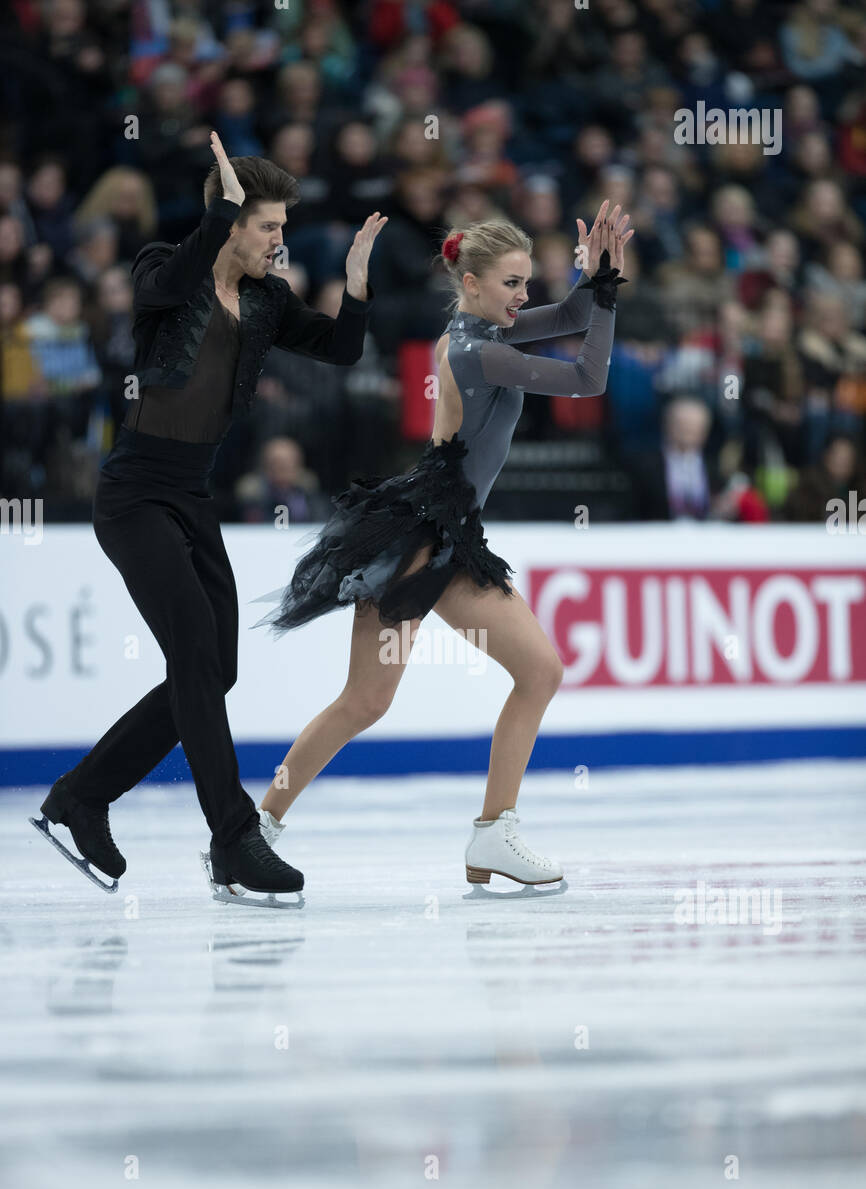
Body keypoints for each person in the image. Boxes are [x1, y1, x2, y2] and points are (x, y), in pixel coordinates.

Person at [32, 133, 385, 901]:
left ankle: (81, 797)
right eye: (267, 227)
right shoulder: (164, 269)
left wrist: (355, 289)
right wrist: (219, 213)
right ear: (230, 223)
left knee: (213, 669)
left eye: (283, 229)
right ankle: (233, 837)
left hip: (194, 497)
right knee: (195, 655)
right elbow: (174, 281)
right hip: (133, 496)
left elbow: (341, 351)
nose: (279, 242)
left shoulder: (265, 301)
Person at [249, 200, 632, 886]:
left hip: (441, 530)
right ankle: (256, 834)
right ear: (473, 282)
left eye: (526, 283)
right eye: (512, 283)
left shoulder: (481, 332)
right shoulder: (477, 350)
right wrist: (602, 291)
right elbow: (588, 377)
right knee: (376, 700)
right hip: (425, 540)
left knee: (406, 694)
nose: (524, 295)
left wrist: (598, 281)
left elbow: (574, 321)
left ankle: (488, 832)